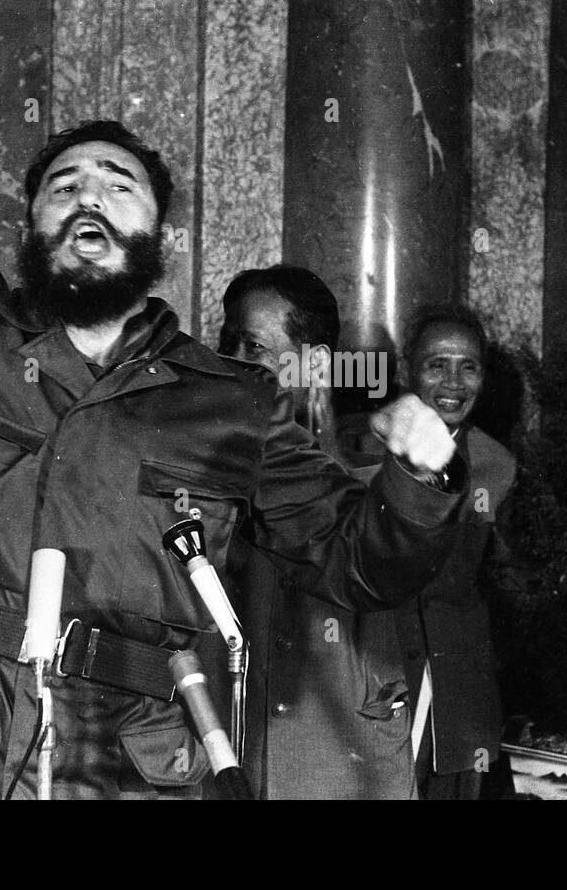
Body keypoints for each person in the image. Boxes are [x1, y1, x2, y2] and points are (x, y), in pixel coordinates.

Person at [0, 0, 464, 799]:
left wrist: (419, 477)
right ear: (31, 226)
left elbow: (359, 564)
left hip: (129, 756)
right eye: (63, 187)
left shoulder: (234, 402)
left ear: (157, 234)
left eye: (118, 185)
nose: (88, 198)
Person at [217, 265, 415, 799]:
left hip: (341, 753)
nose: (232, 361)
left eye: (254, 347)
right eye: (226, 343)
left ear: (317, 363)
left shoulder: (373, 468)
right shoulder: (206, 455)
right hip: (234, 741)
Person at [366, 304, 517, 800]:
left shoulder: (496, 465)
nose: (454, 382)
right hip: (374, 679)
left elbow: (504, 577)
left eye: (468, 366)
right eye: (437, 365)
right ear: (406, 369)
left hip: (456, 697)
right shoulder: (359, 450)